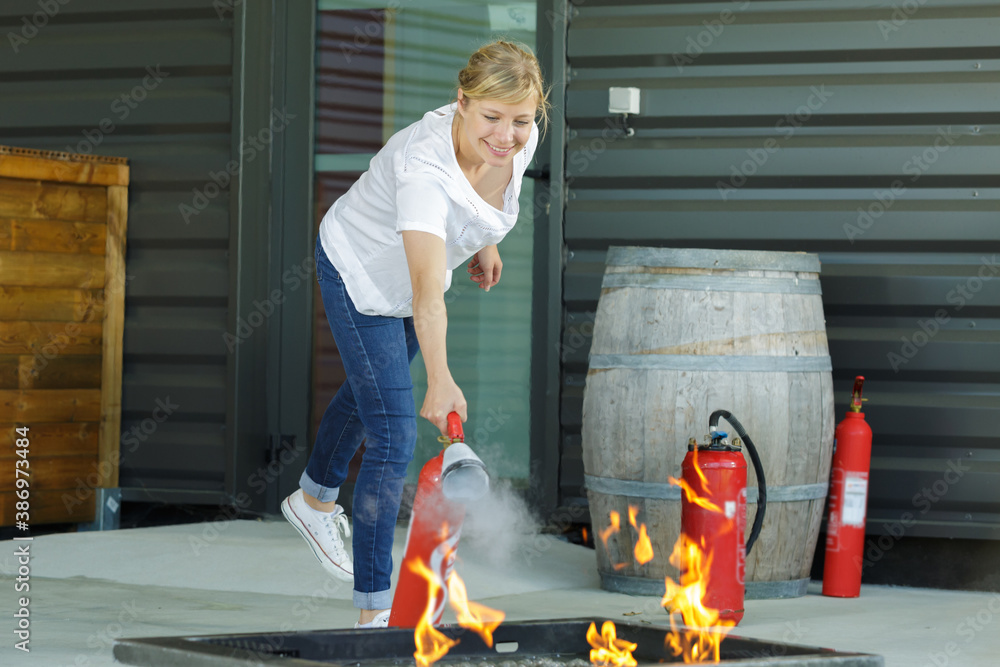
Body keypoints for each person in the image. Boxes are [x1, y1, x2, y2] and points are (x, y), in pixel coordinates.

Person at [281, 40, 550, 629]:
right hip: (361, 272)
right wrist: (443, 380)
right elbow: (428, 293)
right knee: (395, 432)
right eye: (492, 118)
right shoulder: (423, 170)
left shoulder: (515, 138)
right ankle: (375, 615)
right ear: (461, 102)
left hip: (409, 280)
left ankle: (311, 499)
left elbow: (485, 186)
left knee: (369, 392)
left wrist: (484, 238)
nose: (507, 136)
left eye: (522, 120)